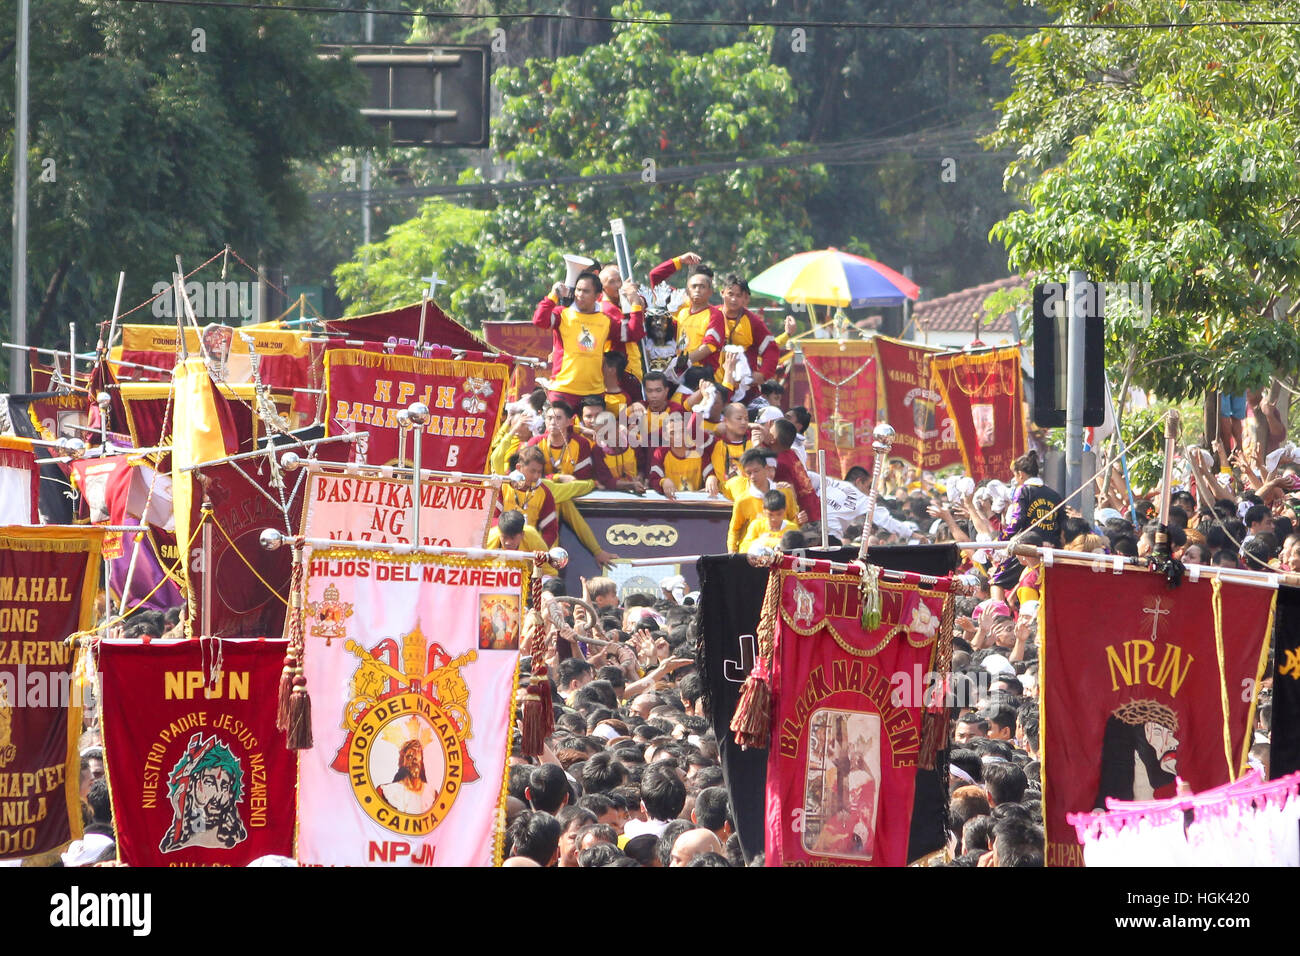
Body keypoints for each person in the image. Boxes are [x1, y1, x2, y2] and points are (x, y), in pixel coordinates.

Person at [534, 271, 644, 405]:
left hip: (594, 393)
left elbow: (634, 333)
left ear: (598, 295)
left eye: (586, 291)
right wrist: (553, 296)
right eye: (578, 290)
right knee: (556, 427)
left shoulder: (606, 320)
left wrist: (636, 304)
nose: (580, 295)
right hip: (562, 390)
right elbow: (540, 320)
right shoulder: (562, 314)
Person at [991, 450, 1062, 602]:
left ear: (1020, 474)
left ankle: (997, 618)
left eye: (1015, 475)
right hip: (1052, 549)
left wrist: (1001, 540)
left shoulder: (1023, 490)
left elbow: (1017, 520)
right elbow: (1061, 523)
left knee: (997, 580)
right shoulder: (1054, 494)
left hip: (1027, 547)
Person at [648, 252, 727, 373]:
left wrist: (682, 364)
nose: (699, 290)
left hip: (700, 370)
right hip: (674, 366)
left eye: (705, 285)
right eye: (695, 285)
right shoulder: (678, 300)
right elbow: (655, 277)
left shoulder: (714, 313)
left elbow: (709, 347)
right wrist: (679, 260)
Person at [719, 274, 780, 401]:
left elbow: (771, 349)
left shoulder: (753, 321)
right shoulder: (711, 315)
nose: (734, 299)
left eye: (739, 296)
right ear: (722, 293)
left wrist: (762, 374)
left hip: (745, 390)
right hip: (715, 385)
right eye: (730, 294)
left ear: (745, 299)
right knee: (698, 417)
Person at [726, 449, 798, 552]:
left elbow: (793, 518)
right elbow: (734, 530)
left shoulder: (785, 492)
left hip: (781, 554)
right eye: (748, 473)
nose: (753, 476)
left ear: (766, 469)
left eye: (756, 471)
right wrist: (732, 553)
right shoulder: (742, 500)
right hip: (753, 557)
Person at [496, 445, 559, 546]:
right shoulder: (503, 486)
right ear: (519, 467)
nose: (536, 476)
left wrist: (538, 552)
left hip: (529, 553)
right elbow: (492, 520)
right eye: (532, 471)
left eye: (539, 472)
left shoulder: (545, 493)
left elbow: (550, 531)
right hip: (504, 547)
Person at [649, 414, 719, 500]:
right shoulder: (660, 453)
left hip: (695, 503)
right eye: (672, 433)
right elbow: (653, 479)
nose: (678, 436)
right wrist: (663, 482)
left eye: (681, 431)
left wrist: (711, 478)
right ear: (665, 436)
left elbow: (710, 474)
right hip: (670, 503)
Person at [598, 263, 648, 382]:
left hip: (630, 369)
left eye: (619, 281)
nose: (618, 285)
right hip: (621, 371)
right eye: (611, 282)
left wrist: (635, 300)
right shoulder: (606, 309)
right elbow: (633, 334)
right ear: (602, 287)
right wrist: (635, 303)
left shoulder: (618, 304)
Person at [485, 509, 556, 575]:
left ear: (522, 534)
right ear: (499, 533)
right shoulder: (488, 540)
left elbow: (549, 573)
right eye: (504, 537)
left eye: (512, 538)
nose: (507, 543)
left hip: (526, 582)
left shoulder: (533, 538)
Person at [379, 739, 436, 814]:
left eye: (417, 757)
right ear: (403, 761)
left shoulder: (431, 794)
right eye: (409, 757)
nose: (414, 761)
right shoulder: (388, 792)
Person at [737, 489, 800, 553]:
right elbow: (743, 549)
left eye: (779, 514)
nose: (774, 519)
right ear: (764, 510)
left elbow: (798, 551)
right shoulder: (756, 526)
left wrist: (770, 541)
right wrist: (759, 541)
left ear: (785, 509)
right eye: (770, 515)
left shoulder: (792, 529)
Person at [708, 402, 753, 490]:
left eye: (746, 419)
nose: (743, 422)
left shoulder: (752, 442)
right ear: (725, 421)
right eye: (739, 419)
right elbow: (693, 433)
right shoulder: (715, 443)